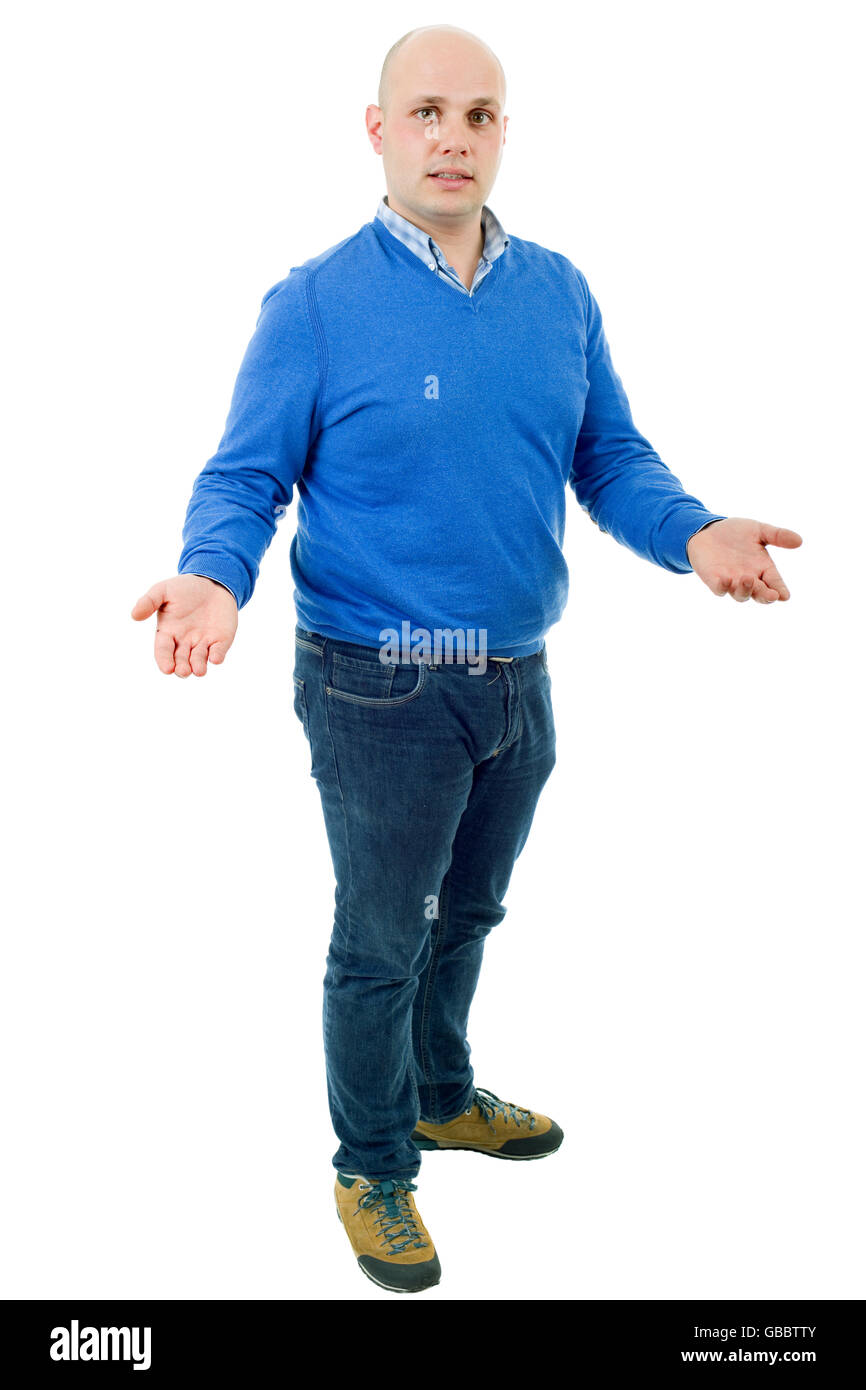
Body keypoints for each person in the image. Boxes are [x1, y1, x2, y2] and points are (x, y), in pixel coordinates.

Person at [130, 24, 803, 1295]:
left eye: (480, 115)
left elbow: (608, 460)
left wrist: (696, 530)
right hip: (374, 682)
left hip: (514, 676)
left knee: (472, 910)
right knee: (382, 938)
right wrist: (211, 576)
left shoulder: (558, 289)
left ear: (503, 133)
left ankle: (438, 1093)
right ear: (376, 131)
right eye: (427, 111)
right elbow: (243, 476)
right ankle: (372, 1161)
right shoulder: (315, 301)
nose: (454, 135)